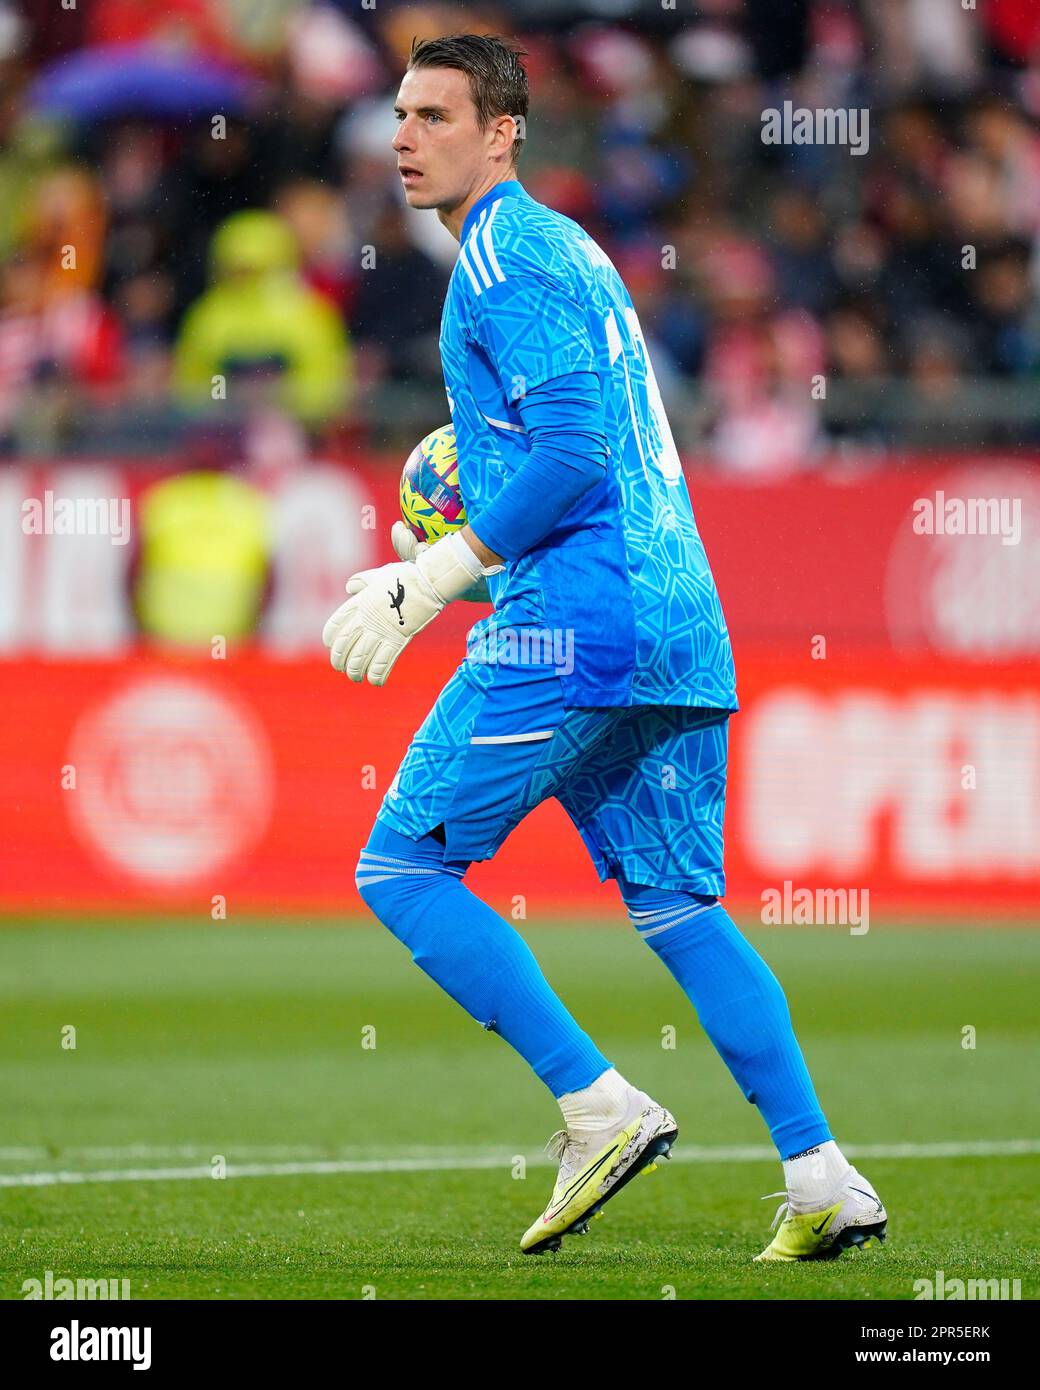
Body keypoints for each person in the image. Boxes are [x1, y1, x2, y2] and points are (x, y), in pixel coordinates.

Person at [322, 34, 887, 1261]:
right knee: (679, 904)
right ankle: (820, 1172)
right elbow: (584, 453)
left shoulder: (498, 255)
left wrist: (435, 573)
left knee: (401, 869)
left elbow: (574, 453)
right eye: (398, 115)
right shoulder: (567, 243)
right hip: (674, 614)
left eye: (431, 115)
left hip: (577, 620)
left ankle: (596, 1104)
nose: (403, 137)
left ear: (503, 129)